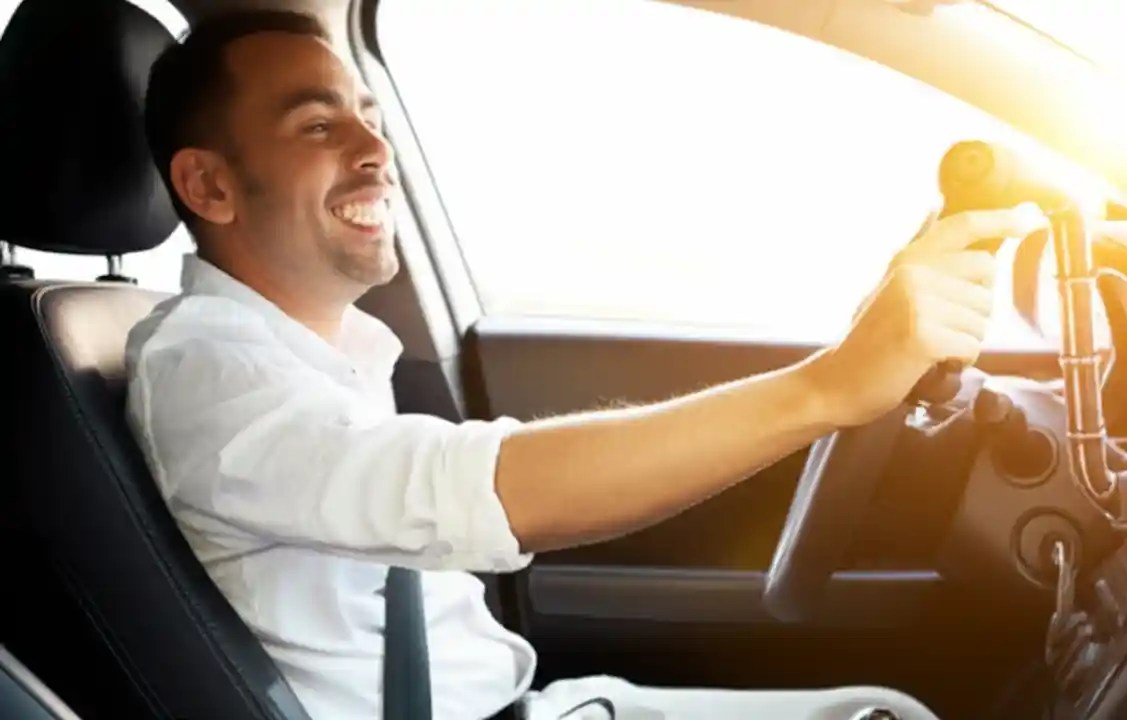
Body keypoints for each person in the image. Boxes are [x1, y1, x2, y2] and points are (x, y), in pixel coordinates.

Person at [124, 9, 1046, 720]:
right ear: (208, 185)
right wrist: (830, 385)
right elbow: (477, 487)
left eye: (370, 117)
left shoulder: (317, 360)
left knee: (883, 713)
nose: (377, 152)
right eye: (320, 128)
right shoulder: (209, 373)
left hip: (518, 704)